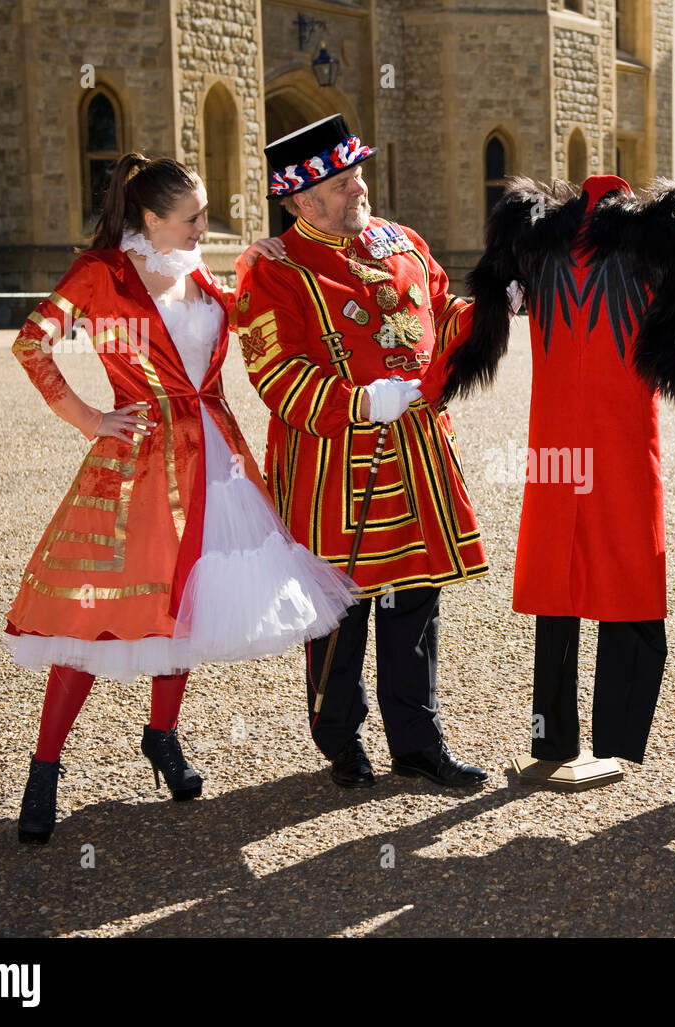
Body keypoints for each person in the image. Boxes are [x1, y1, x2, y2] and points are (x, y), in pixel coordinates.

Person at [6, 153, 357, 844]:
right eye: (194, 216)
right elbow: (31, 344)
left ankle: (161, 736)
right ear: (150, 218)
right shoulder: (100, 275)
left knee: (191, 603)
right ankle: (44, 768)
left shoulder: (200, 272)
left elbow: (253, 329)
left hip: (218, 459)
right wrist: (89, 418)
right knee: (93, 618)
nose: (206, 225)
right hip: (136, 465)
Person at [423, 173, 675, 770]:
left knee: (615, 571)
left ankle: (577, 741)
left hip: (592, 436)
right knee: (589, 573)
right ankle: (604, 739)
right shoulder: (544, 240)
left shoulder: (605, 239)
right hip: (597, 435)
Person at [237, 115, 488, 789]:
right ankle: (339, 735)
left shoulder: (402, 241)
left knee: (414, 607)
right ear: (299, 201)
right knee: (338, 611)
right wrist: (358, 402)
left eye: (357, 176)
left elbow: (442, 312)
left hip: (414, 457)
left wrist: (491, 307)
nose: (359, 189)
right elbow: (275, 373)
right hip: (332, 470)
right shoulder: (273, 269)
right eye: (342, 183)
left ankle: (418, 740)